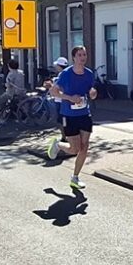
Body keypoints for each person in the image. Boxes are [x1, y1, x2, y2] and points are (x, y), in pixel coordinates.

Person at [45, 46, 98, 190]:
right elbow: (53, 91)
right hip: (69, 115)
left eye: (84, 55)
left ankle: (75, 177)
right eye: (80, 55)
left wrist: (93, 93)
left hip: (84, 114)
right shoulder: (66, 74)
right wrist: (69, 97)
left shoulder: (88, 74)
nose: (83, 57)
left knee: (85, 147)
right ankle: (57, 145)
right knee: (75, 149)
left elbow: (90, 90)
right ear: (74, 58)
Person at [43, 57, 69, 141]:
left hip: (60, 100)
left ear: (59, 66)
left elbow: (59, 88)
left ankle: (64, 137)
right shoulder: (67, 74)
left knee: (60, 120)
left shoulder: (62, 75)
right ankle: (67, 136)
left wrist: (50, 85)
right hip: (65, 100)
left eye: (57, 65)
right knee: (65, 119)